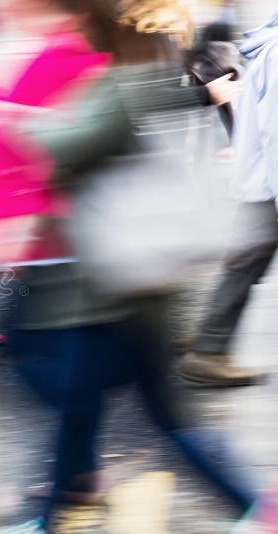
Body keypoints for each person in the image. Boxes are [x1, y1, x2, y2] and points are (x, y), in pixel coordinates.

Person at [0, 0, 257, 531]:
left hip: (104, 288)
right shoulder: (150, 75)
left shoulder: (116, 86)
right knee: (112, 414)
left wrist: (12, 119)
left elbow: (63, 150)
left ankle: (248, 507)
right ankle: (243, 507)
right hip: (136, 282)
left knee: (98, 409)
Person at [178, 12, 278, 387]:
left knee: (244, 264)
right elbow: (275, 133)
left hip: (261, 182)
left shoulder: (268, 47)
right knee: (244, 264)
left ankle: (208, 343)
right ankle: (207, 349)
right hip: (267, 185)